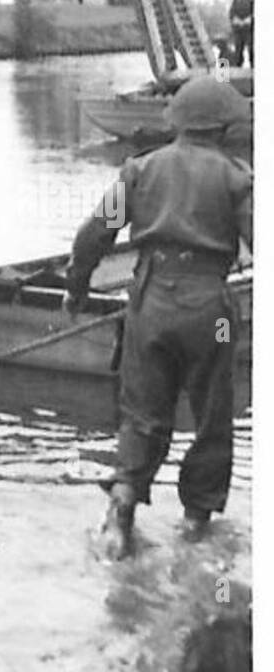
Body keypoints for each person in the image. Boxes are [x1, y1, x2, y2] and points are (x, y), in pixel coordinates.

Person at [63, 76, 252, 558]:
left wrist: (77, 288)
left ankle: (122, 508)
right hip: (213, 310)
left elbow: (93, 236)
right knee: (213, 414)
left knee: (143, 411)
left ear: (177, 123)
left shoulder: (138, 171)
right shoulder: (237, 178)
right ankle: (194, 527)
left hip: (149, 304)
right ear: (224, 127)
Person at [228, 0, 253, 67]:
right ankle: (238, 67)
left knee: (252, 50)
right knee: (238, 50)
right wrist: (236, 20)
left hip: (250, 29)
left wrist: (249, 19)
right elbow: (231, 13)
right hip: (239, 29)